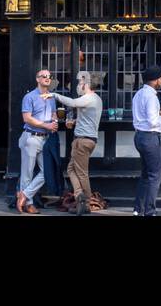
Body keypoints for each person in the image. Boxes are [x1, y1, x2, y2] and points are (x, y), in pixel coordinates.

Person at [54, 71, 103, 214]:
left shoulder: (89, 97)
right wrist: (75, 122)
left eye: (81, 83)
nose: (79, 85)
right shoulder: (96, 99)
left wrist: (54, 95)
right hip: (87, 139)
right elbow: (89, 118)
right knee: (71, 169)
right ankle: (79, 195)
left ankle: (85, 203)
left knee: (81, 173)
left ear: (86, 84)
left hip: (82, 141)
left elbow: (73, 103)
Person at [16, 68, 57, 215]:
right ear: (37, 79)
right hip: (31, 137)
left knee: (47, 172)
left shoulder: (51, 97)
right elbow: (27, 118)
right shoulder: (30, 97)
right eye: (43, 76)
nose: (47, 78)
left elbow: (53, 114)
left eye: (49, 76)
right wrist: (46, 125)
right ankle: (29, 204)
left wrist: (54, 121)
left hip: (45, 139)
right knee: (27, 173)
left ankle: (24, 194)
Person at [131, 64, 161, 216]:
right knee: (155, 176)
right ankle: (150, 211)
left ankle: (138, 208)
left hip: (139, 136)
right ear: (154, 80)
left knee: (146, 174)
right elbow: (153, 121)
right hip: (150, 138)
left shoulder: (138, 94)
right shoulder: (152, 97)